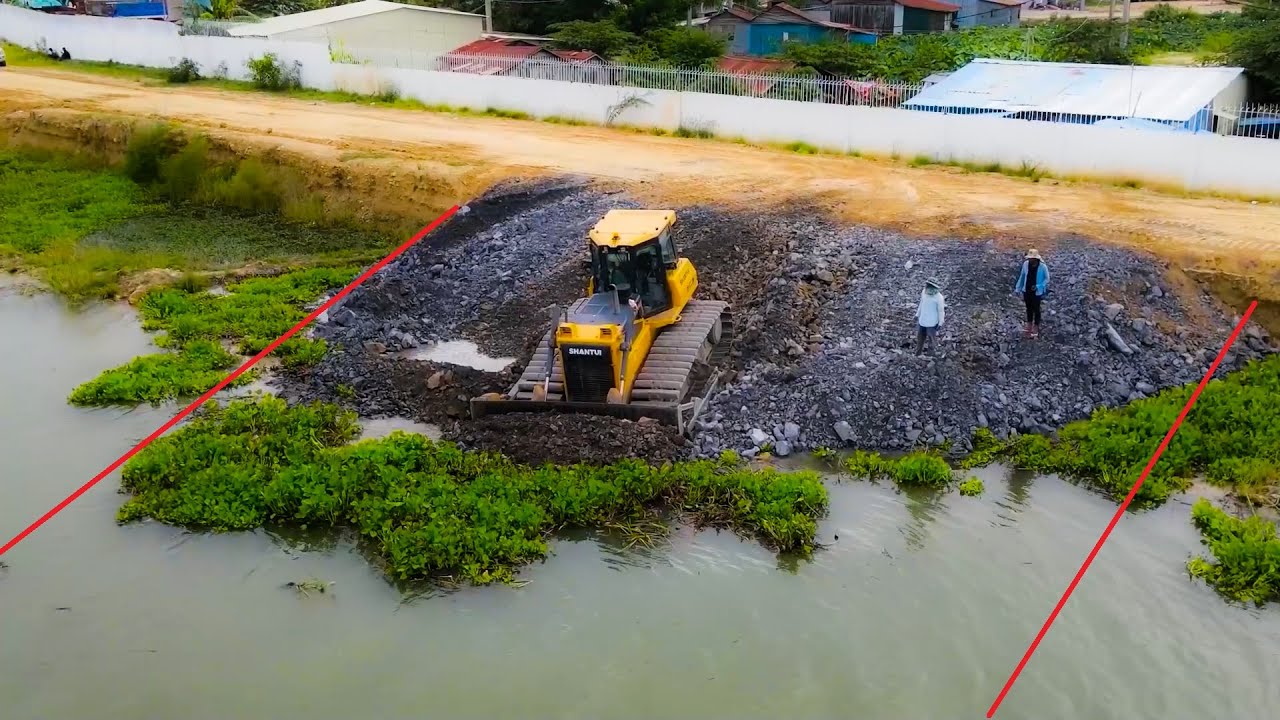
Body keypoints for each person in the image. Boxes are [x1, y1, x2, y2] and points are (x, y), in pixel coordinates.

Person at [1014, 248, 1050, 338]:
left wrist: (1039, 286)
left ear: (1036, 259)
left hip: (1037, 291)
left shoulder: (1042, 267)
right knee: (1028, 308)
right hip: (1026, 289)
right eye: (1029, 258)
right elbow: (1022, 276)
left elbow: (1047, 279)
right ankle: (1029, 325)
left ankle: (1036, 327)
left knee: (1036, 309)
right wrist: (1018, 288)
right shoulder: (1025, 264)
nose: (1030, 260)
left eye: (1032, 258)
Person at [915, 278, 945, 356]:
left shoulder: (939, 297)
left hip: (932, 323)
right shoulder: (924, 292)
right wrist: (917, 314)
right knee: (920, 339)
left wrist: (940, 322)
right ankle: (917, 354)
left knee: (931, 340)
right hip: (922, 321)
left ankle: (930, 356)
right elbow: (921, 304)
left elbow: (941, 311)